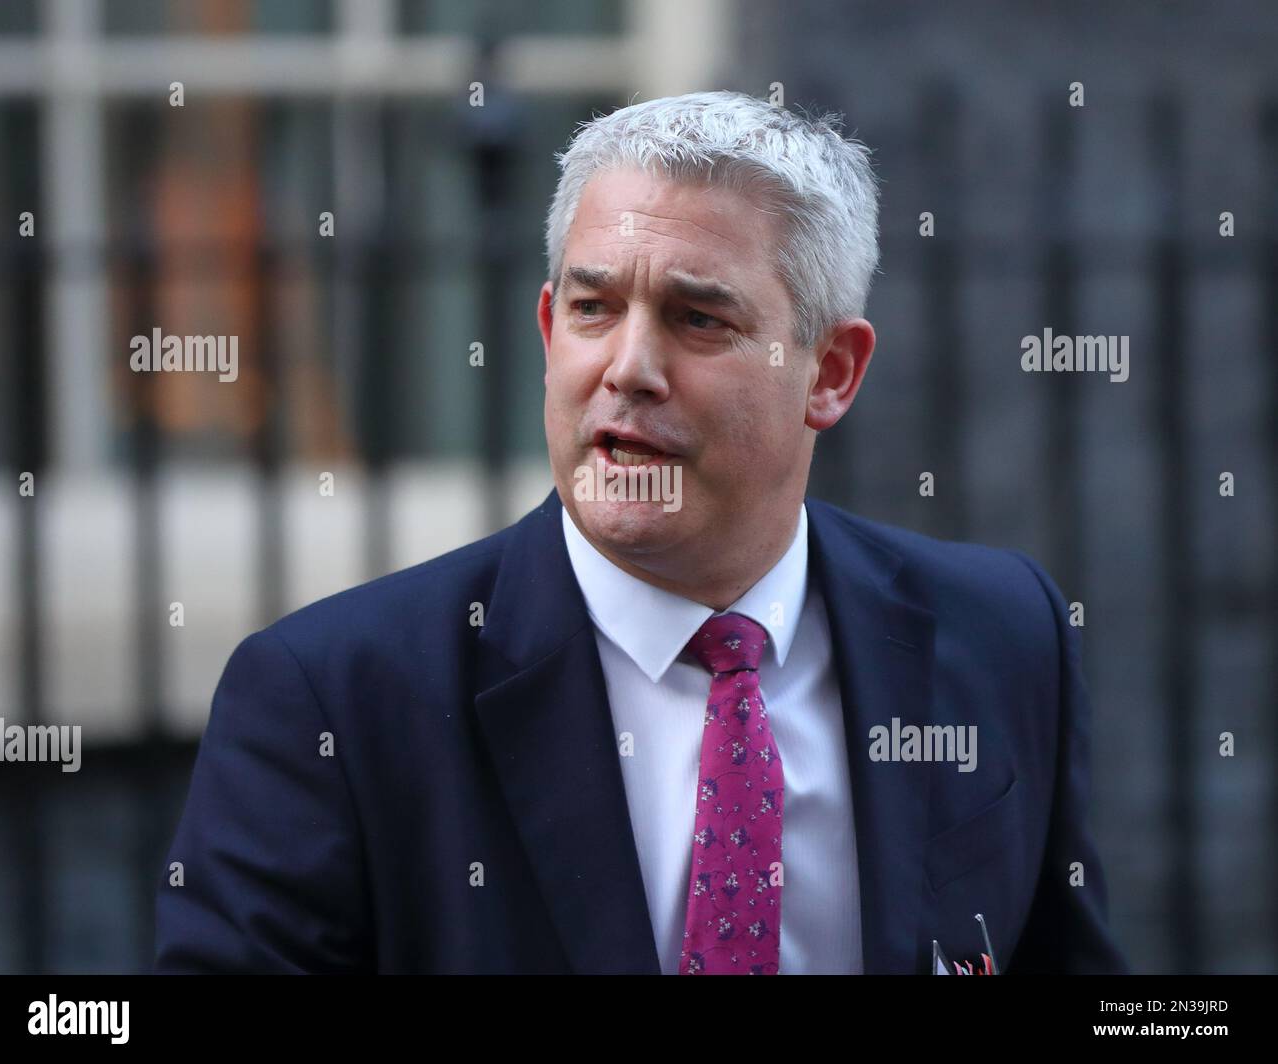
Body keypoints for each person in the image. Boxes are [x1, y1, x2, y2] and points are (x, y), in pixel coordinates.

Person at [153, 90, 1129, 974]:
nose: (628, 368)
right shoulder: (333, 696)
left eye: (698, 319)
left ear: (831, 372)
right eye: (594, 308)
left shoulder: (1001, 633)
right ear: (548, 331)